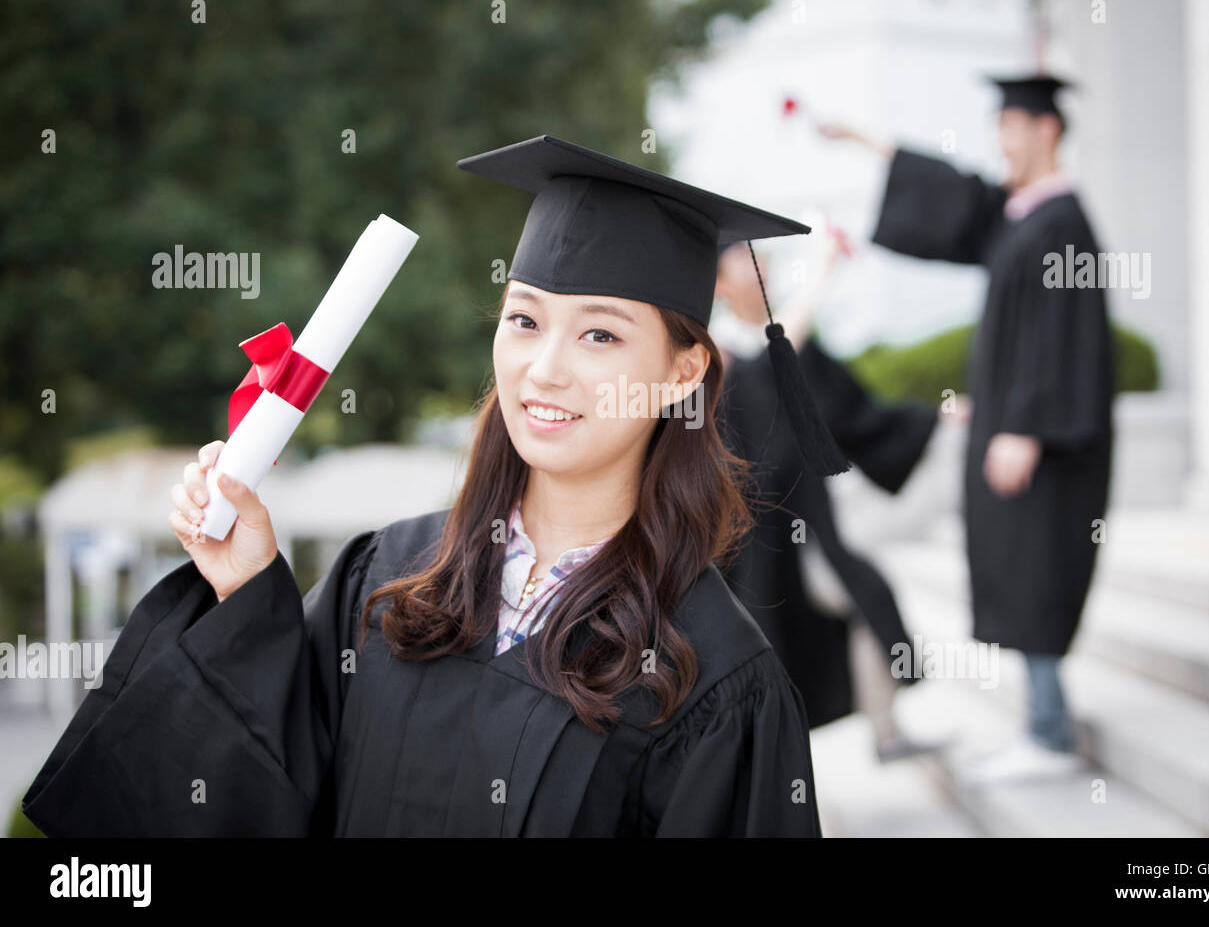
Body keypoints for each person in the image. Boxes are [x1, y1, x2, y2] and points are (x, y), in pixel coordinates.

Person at [22, 134, 845, 837]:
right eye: (524, 320)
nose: (544, 369)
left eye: (599, 333)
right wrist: (243, 591)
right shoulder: (384, 578)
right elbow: (266, 792)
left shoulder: (716, 682)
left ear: (682, 373)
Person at [819, 75, 1115, 782]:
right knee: (1020, 573)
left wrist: (1027, 428)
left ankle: (1049, 733)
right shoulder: (1021, 217)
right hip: (1015, 433)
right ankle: (1044, 721)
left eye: (1010, 126)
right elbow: (955, 195)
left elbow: (1060, 340)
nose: (1000, 142)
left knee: (1039, 572)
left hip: (1045, 445)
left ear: (1047, 130)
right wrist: (866, 141)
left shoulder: (1063, 225)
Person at [711, 240, 947, 762]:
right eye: (745, 267)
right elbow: (773, 358)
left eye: (763, 263)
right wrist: (823, 273)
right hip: (755, 542)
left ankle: (886, 731)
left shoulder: (796, 346)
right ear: (719, 286)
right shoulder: (714, 354)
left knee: (867, 599)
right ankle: (773, 768)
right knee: (769, 648)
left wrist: (929, 418)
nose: (761, 274)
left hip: (810, 528)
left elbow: (851, 410)